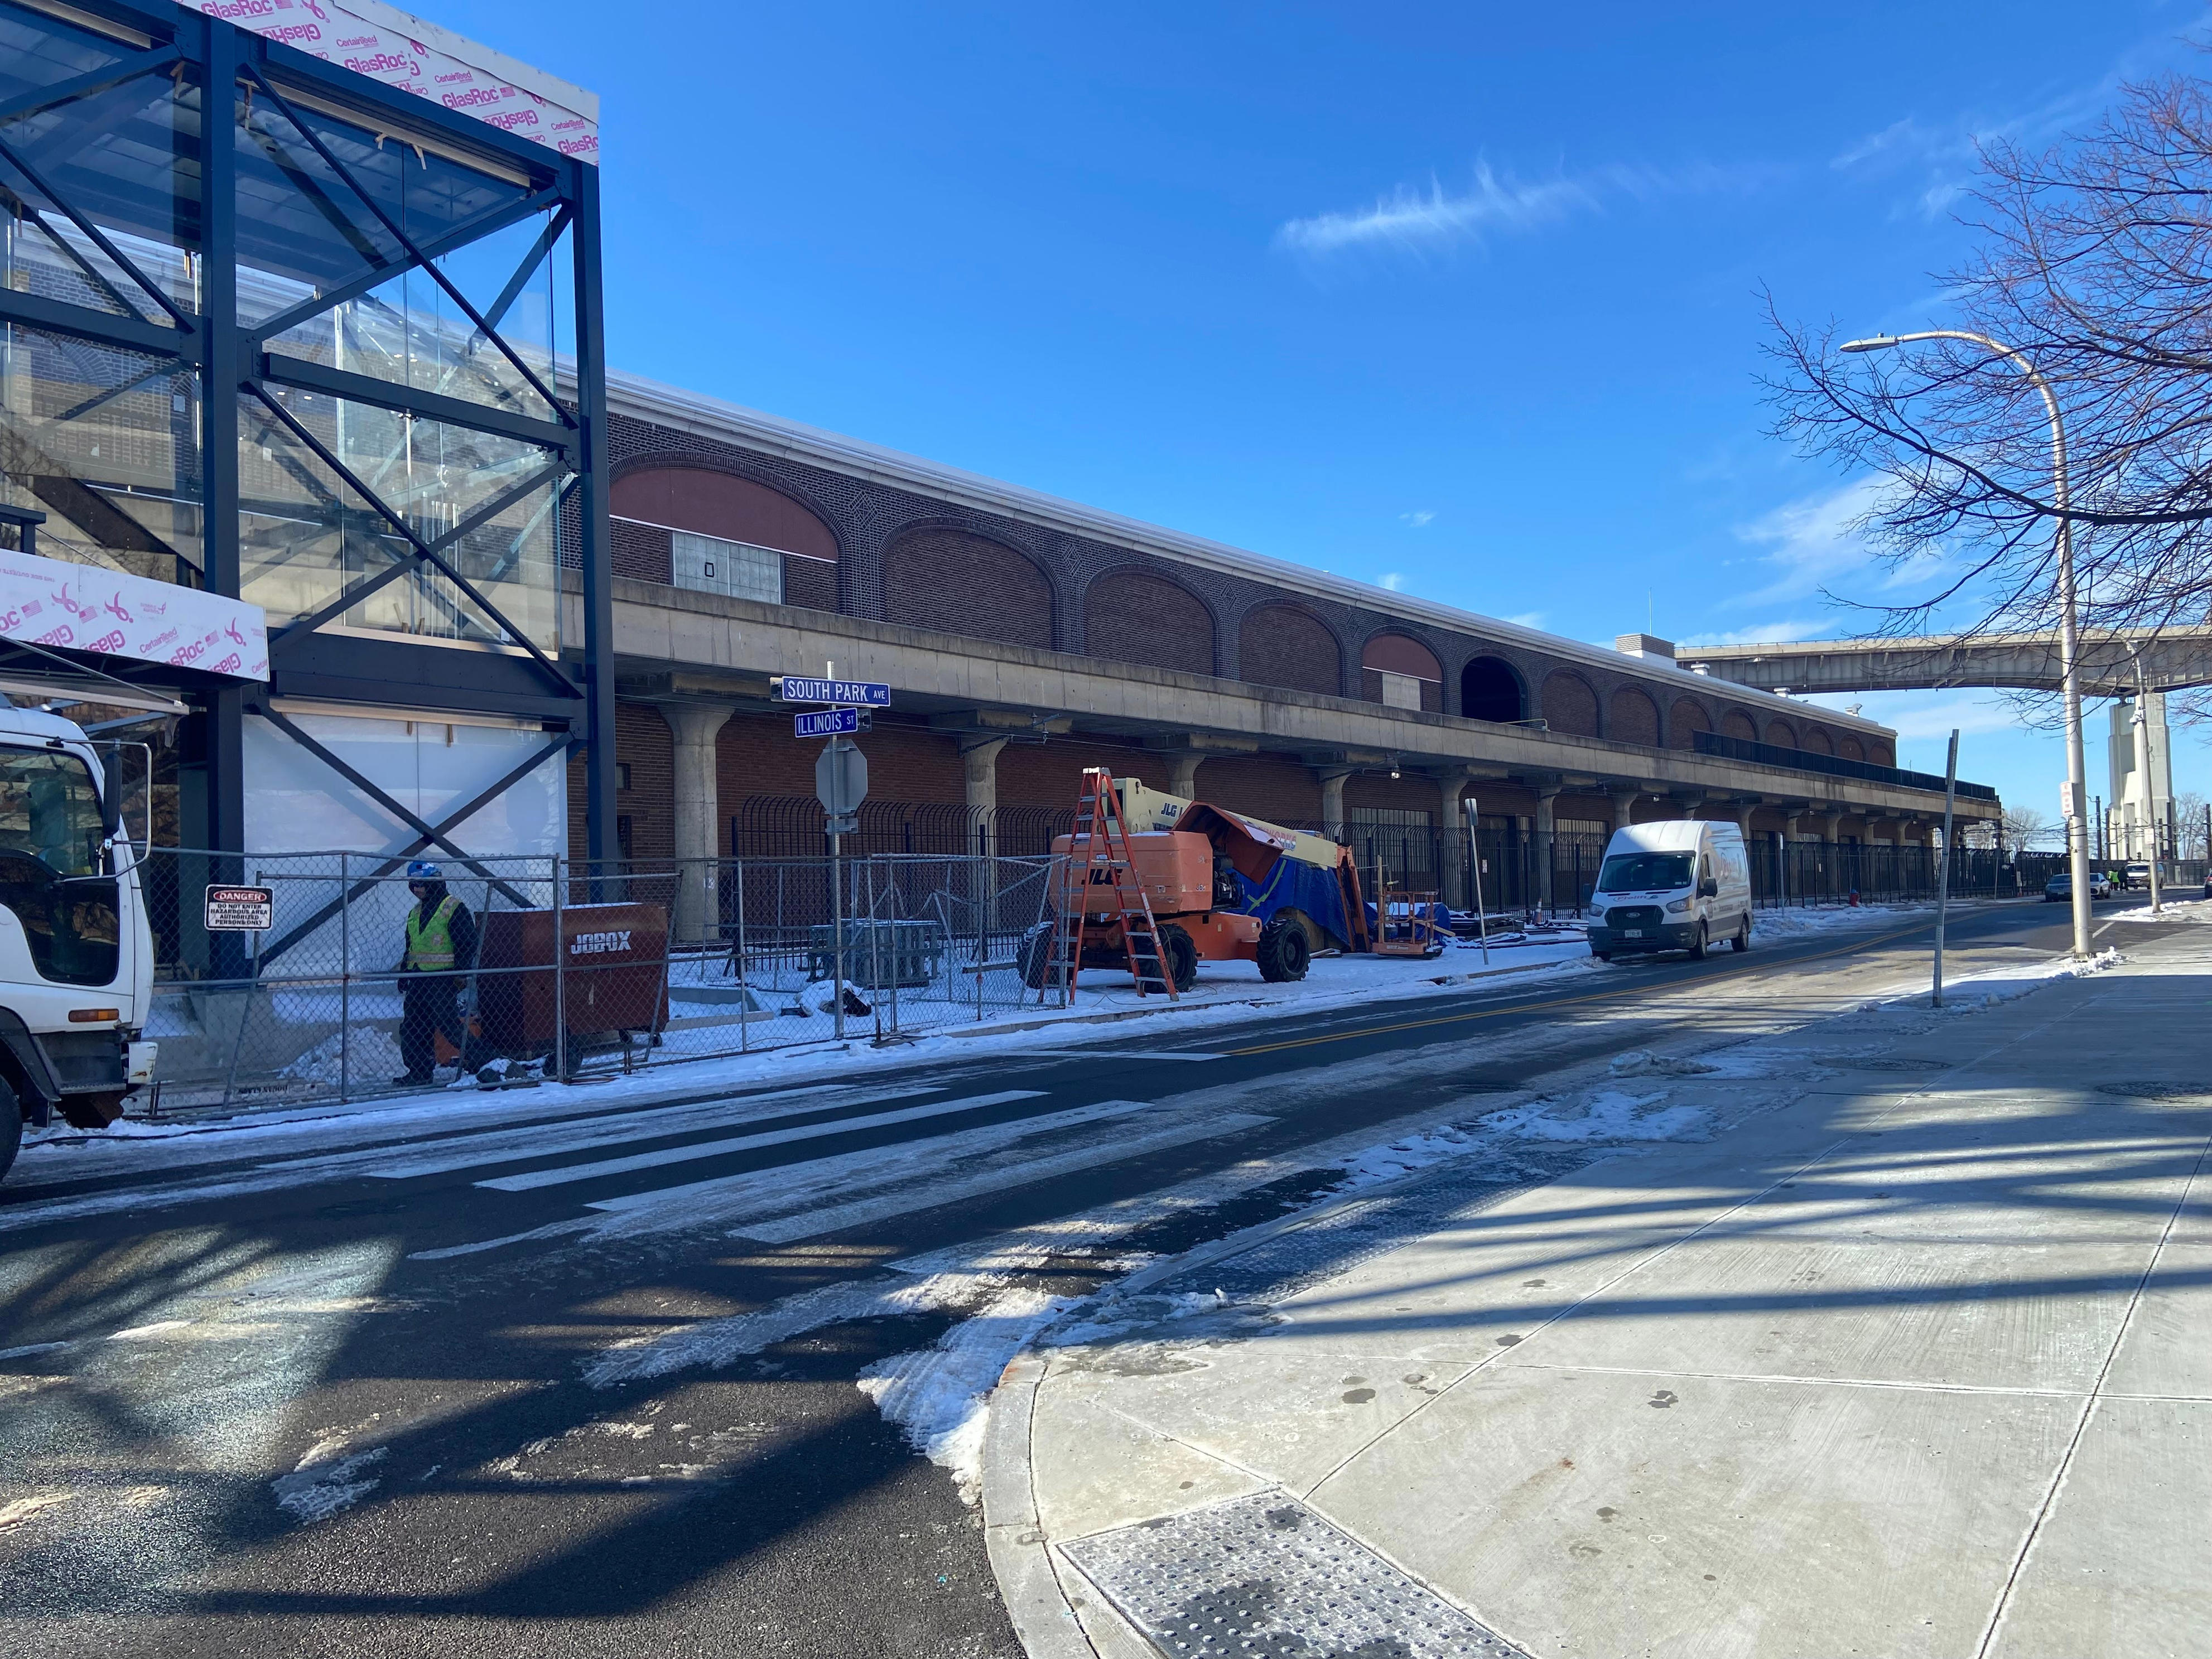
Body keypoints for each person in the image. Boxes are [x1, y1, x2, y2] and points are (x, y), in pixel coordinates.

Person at [394, 860, 476, 1087]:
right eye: (413, 885)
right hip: (418, 979)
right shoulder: (416, 912)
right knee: (413, 1026)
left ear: (434, 881)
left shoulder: (453, 908)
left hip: (442, 978)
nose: (417, 889)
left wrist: (460, 974)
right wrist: (405, 974)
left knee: (449, 1026)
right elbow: (411, 947)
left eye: (421, 884)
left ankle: (485, 1060)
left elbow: (467, 942)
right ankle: (419, 1072)